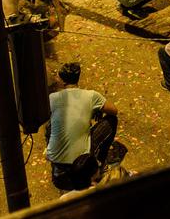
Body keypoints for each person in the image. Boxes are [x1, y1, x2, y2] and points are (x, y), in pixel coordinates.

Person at [47, 62, 118, 191]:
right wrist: (98, 109)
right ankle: (98, 166)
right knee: (111, 120)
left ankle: (94, 167)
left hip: (59, 178)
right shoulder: (91, 96)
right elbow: (113, 110)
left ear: (63, 82)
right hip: (82, 172)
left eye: (57, 77)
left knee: (50, 125)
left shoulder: (52, 98)